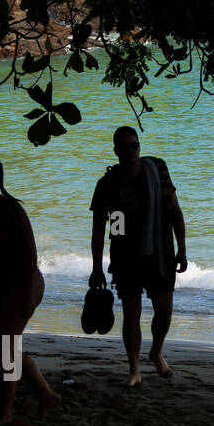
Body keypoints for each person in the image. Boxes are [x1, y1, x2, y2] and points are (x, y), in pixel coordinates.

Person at [88, 127, 187, 386]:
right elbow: (100, 229)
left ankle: (156, 351)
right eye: (124, 147)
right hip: (125, 256)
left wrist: (182, 249)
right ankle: (134, 368)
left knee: (164, 311)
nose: (130, 151)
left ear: (139, 147)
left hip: (161, 252)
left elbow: (175, 211)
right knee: (131, 314)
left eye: (134, 145)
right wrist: (97, 267)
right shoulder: (107, 184)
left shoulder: (158, 171)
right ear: (116, 151)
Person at [0, 161, 58, 426]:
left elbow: (31, 255)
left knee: (4, 350)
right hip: (2, 285)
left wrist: (27, 297)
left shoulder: (12, 210)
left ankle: (4, 413)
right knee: (3, 349)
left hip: (25, 283)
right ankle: (47, 396)